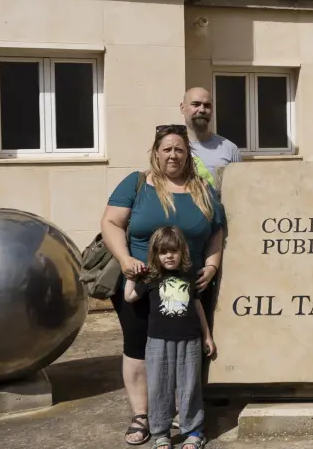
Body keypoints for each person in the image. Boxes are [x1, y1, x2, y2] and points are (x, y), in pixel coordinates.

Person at [100, 124, 226, 446]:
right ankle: (143, 415)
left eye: (179, 149)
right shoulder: (137, 183)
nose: (173, 155)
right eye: (167, 149)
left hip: (188, 285)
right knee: (139, 348)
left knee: (186, 351)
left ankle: (183, 414)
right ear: (156, 152)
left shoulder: (203, 189)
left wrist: (212, 265)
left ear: (188, 154)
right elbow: (111, 222)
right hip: (142, 282)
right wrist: (125, 259)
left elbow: (217, 231)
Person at [124, 226, 216, 449]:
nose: (169, 256)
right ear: (155, 254)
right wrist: (131, 275)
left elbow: (197, 306)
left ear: (182, 251)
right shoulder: (150, 278)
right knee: (159, 387)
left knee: (189, 385)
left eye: (173, 251)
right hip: (158, 341)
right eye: (163, 252)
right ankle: (161, 434)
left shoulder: (190, 276)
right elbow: (129, 297)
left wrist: (207, 336)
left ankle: (194, 431)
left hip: (190, 340)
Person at [180, 87, 242, 186]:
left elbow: (238, 188)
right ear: (182, 108)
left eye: (207, 105)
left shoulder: (230, 149)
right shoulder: (170, 150)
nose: (202, 110)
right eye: (196, 104)